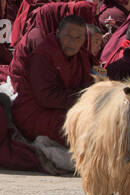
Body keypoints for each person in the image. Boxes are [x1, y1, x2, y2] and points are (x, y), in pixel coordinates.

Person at [9, 13, 93, 145]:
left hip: (66, 107)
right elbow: (46, 97)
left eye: (78, 38)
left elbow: (88, 84)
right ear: (58, 32)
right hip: (36, 112)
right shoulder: (43, 56)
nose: (73, 43)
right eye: (68, 36)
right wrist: (85, 98)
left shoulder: (81, 57)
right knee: (83, 132)